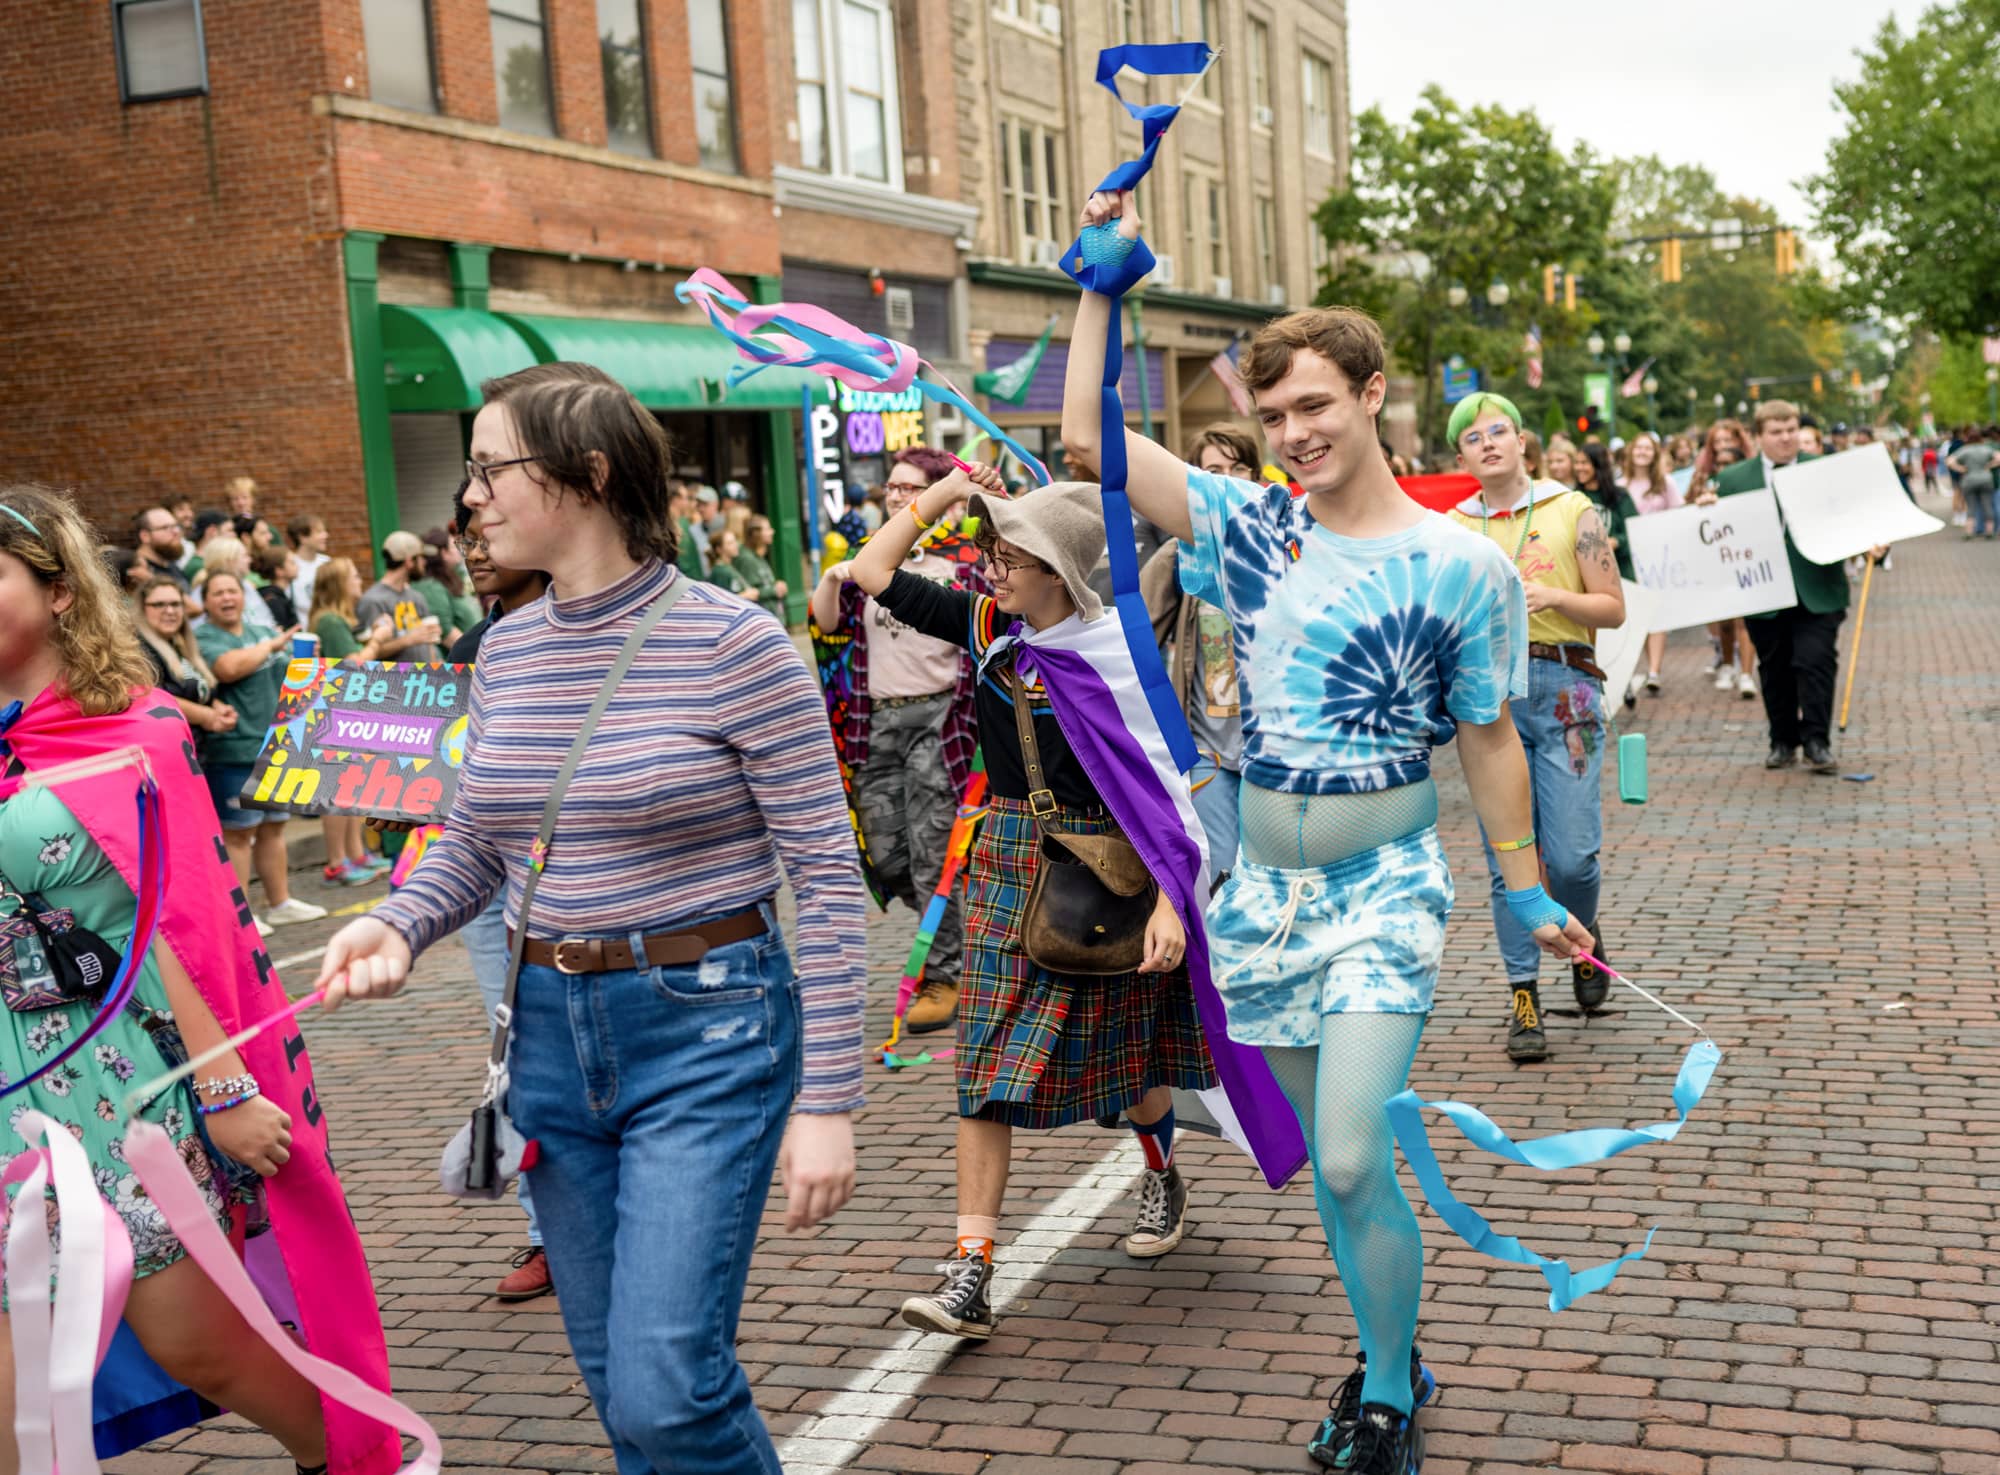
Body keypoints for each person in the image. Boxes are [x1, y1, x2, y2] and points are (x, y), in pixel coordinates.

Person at [1060, 191, 1591, 1475]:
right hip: (1258, 896)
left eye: (1313, 405)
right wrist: (1097, 285)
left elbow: (1487, 736)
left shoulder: (1463, 565)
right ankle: (1384, 1356)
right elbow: (1085, 433)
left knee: (1354, 1142)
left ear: (1370, 393)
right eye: (1271, 414)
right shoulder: (1250, 526)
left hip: (1383, 881)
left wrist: (1521, 891)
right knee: (1335, 1177)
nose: (1291, 433)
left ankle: (1393, 1394)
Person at [311, 361, 863, 1475]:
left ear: (589, 472)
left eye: (489, 468)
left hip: (707, 1031)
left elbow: (829, 875)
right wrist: (399, 923)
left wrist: (831, 1099)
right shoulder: (505, 647)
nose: (467, 498)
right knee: (621, 1389)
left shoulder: (738, 644)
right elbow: (475, 837)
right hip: (546, 1039)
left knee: (668, 1390)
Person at [0, 486, 394, 1475]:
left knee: (193, 1337)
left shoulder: (134, 732)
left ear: (57, 592)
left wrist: (224, 1090)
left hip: (106, 1083)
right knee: (10, 1387)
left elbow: (182, 926)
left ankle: (344, 1456)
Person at [870, 466, 1219, 1342]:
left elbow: (1163, 788)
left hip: (1106, 865)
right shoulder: (987, 624)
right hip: (1006, 862)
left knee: (1130, 1061)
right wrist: (948, 495)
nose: (989, 566)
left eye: (1008, 554)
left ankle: (1162, 1170)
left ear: (1056, 573)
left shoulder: (1116, 657)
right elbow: (870, 575)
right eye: (987, 551)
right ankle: (972, 1271)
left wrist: (1173, 901)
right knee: (981, 1065)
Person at [1447, 394, 1625, 1061]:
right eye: (1472, 437)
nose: (1487, 442)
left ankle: (1582, 928)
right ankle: (1524, 995)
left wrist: (1554, 597)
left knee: (1573, 856)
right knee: (1507, 858)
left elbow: (1612, 607)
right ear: (1460, 456)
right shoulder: (1453, 527)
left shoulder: (1571, 509)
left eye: (1498, 430)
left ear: (1522, 441)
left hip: (1566, 688)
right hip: (1490, 695)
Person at [809, 445, 989, 1036]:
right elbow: (826, 627)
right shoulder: (869, 562)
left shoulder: (962, 562)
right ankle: (969, 935)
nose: (895, 496)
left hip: (943, 723)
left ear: (936, 495)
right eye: (891, 487)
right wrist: (835, 579)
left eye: (910, 488)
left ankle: (944, 976)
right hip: (876, 722)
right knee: (888, 856)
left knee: (936, 852)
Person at [444, 494, 555, 1300]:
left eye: (487, 532)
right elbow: (458, 774)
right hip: (483, 884)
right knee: (512, 1050)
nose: (475, 549)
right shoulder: (466, 647)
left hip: (559, 879)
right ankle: (545, 1231)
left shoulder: (578, 628)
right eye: (465, 536)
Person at [1700, 400, 1850, 773]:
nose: (1786, 438)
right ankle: (1783, 740)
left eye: (1791, 430)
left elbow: (1852, 513)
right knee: (1775, 665)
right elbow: (1715, 530)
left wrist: (1872, 542)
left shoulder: (1825, 470)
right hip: (1763, 589)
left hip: (1816, 586)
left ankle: (1817, 740)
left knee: (1815, 661)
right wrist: (1706, 509)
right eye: (1776, 432)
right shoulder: (1734, 478)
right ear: (1758, 436)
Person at [1143, 422, 1254, 885]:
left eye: (1236, 468)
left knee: (1275, 873)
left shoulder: (1288, 542)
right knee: (1223, 877)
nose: (1225, 480)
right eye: (1212, 470)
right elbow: (1135, 633)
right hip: (1207, 748)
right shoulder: (1179, 554)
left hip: (1275, 746)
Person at [194, 573, 325, 933]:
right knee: (239, 834)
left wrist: (303, 662)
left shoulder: (256, 632)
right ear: (205, 602)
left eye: (232, 590)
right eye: (218, 592)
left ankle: (280, 902)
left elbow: (287, 679)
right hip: (234, 751)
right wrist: (272, 646)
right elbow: (227, 668)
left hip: (275, 746)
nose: (226, 598)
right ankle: (243, 914)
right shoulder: (205, 637)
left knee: (274, 827)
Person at [305, 558, 397, 887]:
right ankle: (337, 862)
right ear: (338, 584)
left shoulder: (338, 619)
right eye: (354, 575)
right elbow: (352, 664)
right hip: (333, 714)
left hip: (344, 712)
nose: (360, 579)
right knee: (334, 791)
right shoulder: (329, 620)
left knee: (349, 787)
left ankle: (356, 854)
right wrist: (378, 639)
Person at [1620, 432, 1689, 696]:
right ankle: (1628, 672)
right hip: (1628, 557)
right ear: (1630, 452)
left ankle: (1654, 672)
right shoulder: (1620, 484)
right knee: (1631, 615)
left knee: (1656, 615)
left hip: (1657, 556)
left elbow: (1678, 513)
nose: (1642, 452)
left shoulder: (1666, 483)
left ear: (1655, 453)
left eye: (1647, 448)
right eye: (1638, 448)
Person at [133, 574, 236, 743]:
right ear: (142, 609)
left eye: (176, 604)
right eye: (159, 605)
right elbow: (152, 696)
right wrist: (207, 716)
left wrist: (217, 707)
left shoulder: (181, 647)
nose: (170, 611)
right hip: (167, 746)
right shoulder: (138, 649)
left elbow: (194, 690)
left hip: (197, 748)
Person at [356, 530, 444, 662]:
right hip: (392, 681)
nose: (424, 563)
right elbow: (368, 652)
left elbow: (429, 644)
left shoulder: (416, 597)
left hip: (425, 678)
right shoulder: (372, 600)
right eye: (420, 558)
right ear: (409, 562)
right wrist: (408, 640)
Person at [192, 535, 277, 630]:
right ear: (229, 560)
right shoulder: (203, 591)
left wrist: (272, 634)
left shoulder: (246, 585)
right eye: (245, 556)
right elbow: (198, 630)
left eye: (232, 591)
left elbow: (266, 618)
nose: (250, 560)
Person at [418, 524, 482, 640]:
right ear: (444, 553)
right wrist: (474, 651)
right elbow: (445, 631)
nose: (459, 551)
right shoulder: (432, 587)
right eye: (454, 547)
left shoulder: (456, 575)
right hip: (466, 655)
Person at [735, 513, 788, 621]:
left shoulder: (758, 556)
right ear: (756, 534)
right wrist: (774, 590)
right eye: (767, 529)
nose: (772, 532)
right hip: (761, 619)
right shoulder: (747, 559)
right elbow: (750, 593)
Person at [1946, 427, 1997, 540]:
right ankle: (1989, 531)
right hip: (1985, 479)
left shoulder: (1965, 449)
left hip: (1969, 480)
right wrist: (1989, 465)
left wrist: (1961, 468)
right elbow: (1998, 458)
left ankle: (1969, 532)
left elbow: (1949, 461)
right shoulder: (1986, 448)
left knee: (1971, 507)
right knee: (1987, 505)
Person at [132, 505, 194, 592]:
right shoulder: (137, 571)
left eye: (175, 526)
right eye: (165, 528)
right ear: (145, 536)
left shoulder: (170, 564)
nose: (176, 532)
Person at [286, 513, 330, 615]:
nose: (326, 535)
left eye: (325, 531)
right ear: (302, 537)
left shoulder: (327, 562)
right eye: (319, 532)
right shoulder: (290, 565)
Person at [252, 544, 299, 631]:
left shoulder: (280, 595)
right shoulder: (273, 600)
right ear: (279, 571)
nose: (297, 566)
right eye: (292, 563)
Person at [704, 528, 750, 596]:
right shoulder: (721, 571)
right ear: (719, 549)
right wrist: (747, 595)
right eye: (730, 543)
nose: (735, 545)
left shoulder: (727, 566)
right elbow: (723, 598)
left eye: (735, 541)